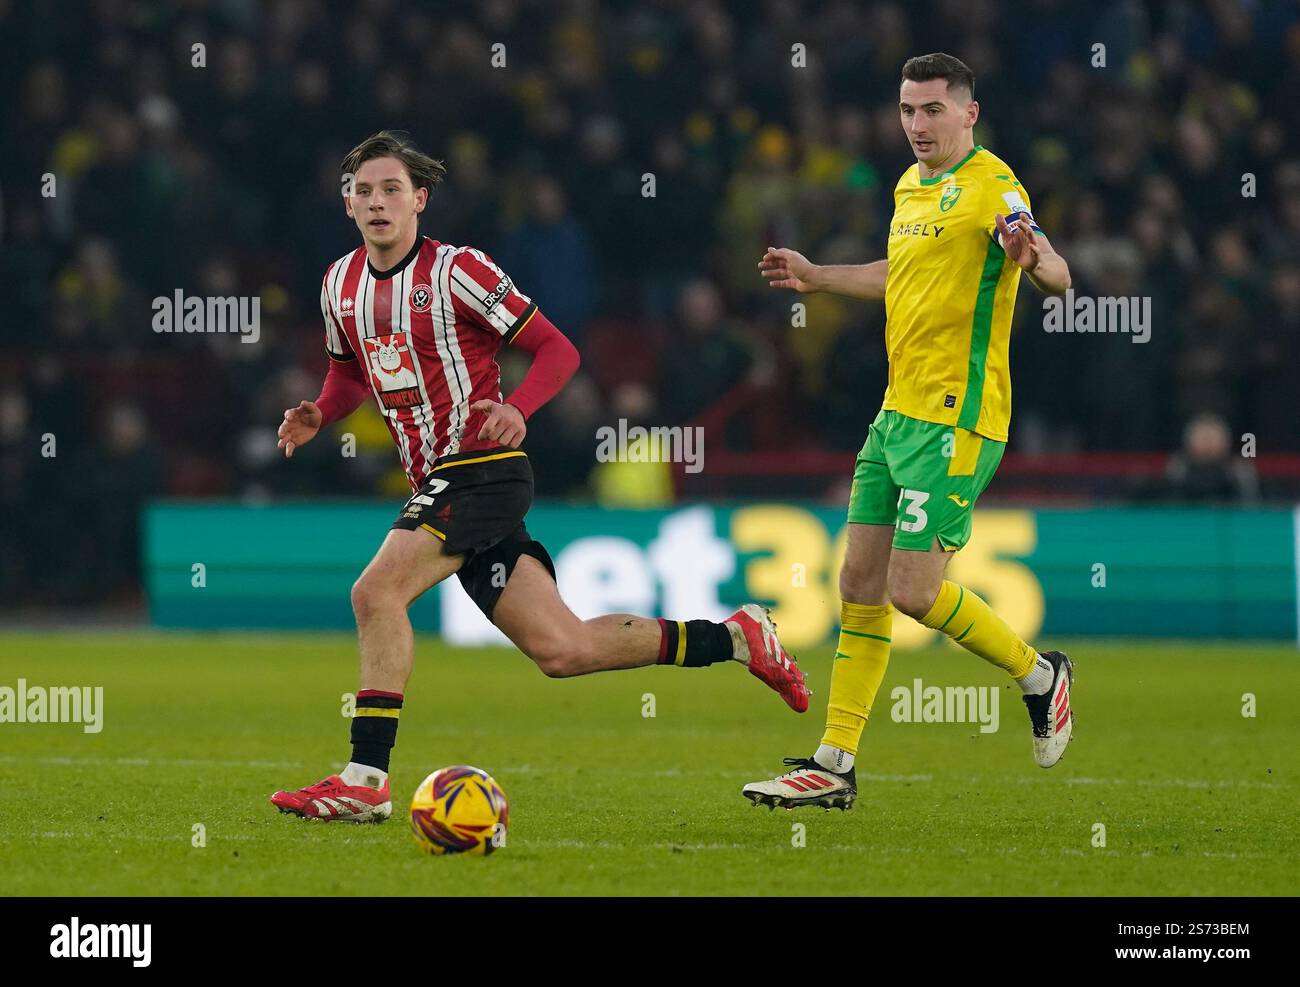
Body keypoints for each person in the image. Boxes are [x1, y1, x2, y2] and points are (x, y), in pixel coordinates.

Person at [270, 131, 808, 822]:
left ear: (420, 199)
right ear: (347, 204)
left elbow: (557, 347)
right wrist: (321, 409)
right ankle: (735, 636)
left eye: (391, 189)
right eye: (364, 191)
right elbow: (350, 372)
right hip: (436, 478)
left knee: (375, 591)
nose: (377, 202)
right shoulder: (337, 284)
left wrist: (518, 409)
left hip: (482, 468)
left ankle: (365, 779)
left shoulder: (458, 270)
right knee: (565, 648)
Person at [745, 54, 1075, 811]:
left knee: (913, 590)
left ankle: (1040, 675)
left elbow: (1053, 266)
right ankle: (834, 761)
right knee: (858, 583)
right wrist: (820, 275)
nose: (917, 125)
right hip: (898, 413)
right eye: (906, 110)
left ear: (969, 113)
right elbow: (902, 273)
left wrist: (1038, 262)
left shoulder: (993, 185)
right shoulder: (908, 185)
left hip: (957, 417)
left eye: (931, 110)